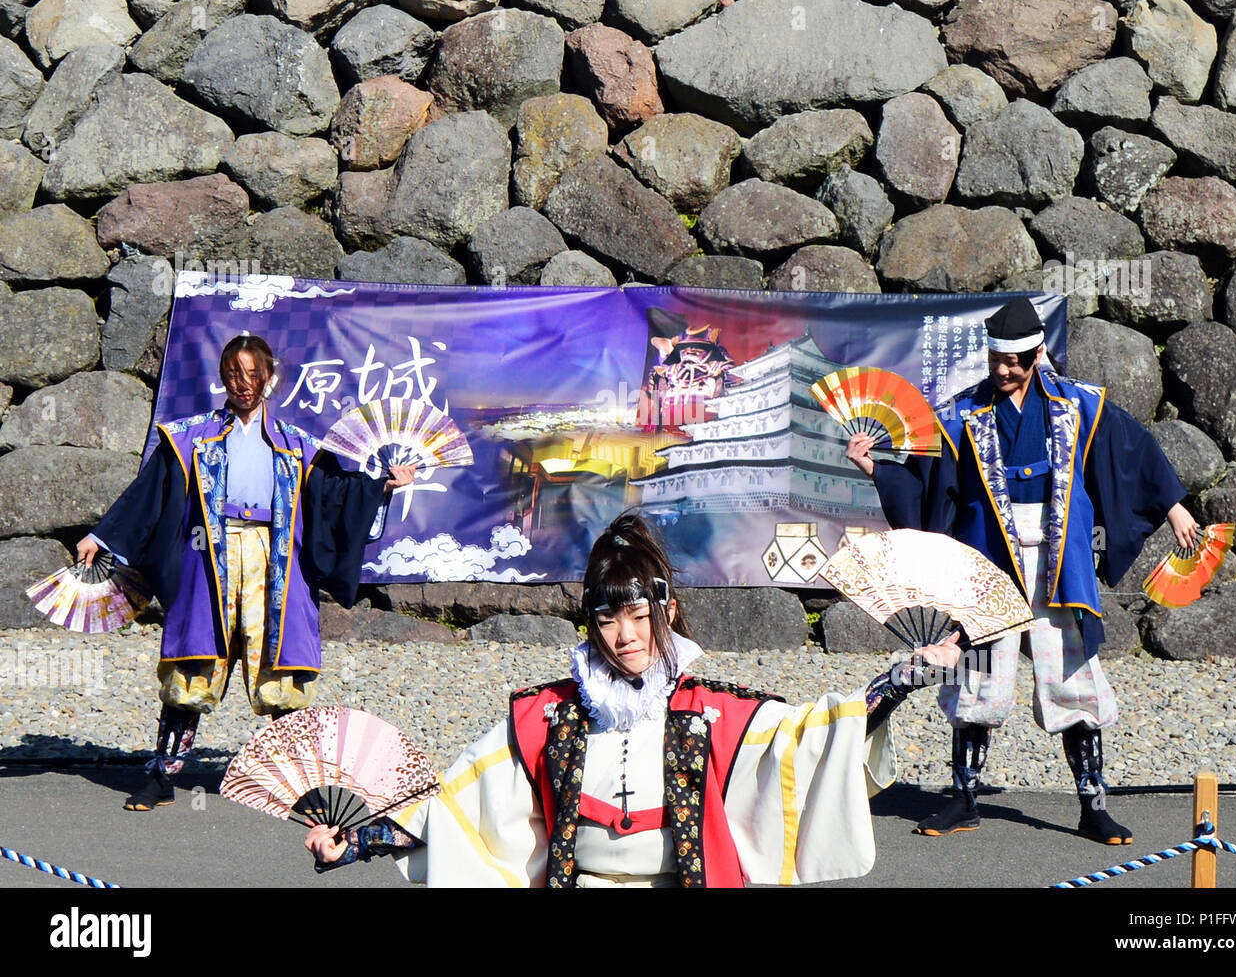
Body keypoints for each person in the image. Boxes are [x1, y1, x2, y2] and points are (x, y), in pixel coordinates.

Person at [304, 513, 962, 887]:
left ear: (668, 611)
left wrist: (901, 678)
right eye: (608, 619)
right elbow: (459, 802)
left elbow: (809, 739)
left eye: (639, 616)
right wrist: (358, 842)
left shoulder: (709, 708)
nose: (626, 636)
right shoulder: (548, 715)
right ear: (591, 622)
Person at [847, 298, 1197, 845]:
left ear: (1036, 355)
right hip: (991, 564)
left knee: (1072, 679)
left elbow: (1132, 451)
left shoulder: (1078, 404)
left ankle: (1093, 805)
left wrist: (1173, 506)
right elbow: (927, 481)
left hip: (1060, 564)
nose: (1004, 371)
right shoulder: (963, 413)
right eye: (996, 360)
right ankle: (963, 799)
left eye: (1015, 361)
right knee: (979, 680)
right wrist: (874, 468)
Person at [79, 335, 413, 811]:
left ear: (270, 379)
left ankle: (300, 787)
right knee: (191, 669)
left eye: (252, 375)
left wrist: (382, 485)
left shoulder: (298, 446)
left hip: (274, 558)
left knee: (282, 678)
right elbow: (147, 495)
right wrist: (103, 536)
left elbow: (337, 496)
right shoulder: (190, 439)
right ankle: (162, 776)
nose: (242, 384)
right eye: (233, 375)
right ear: (222, 379)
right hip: (207, 559)